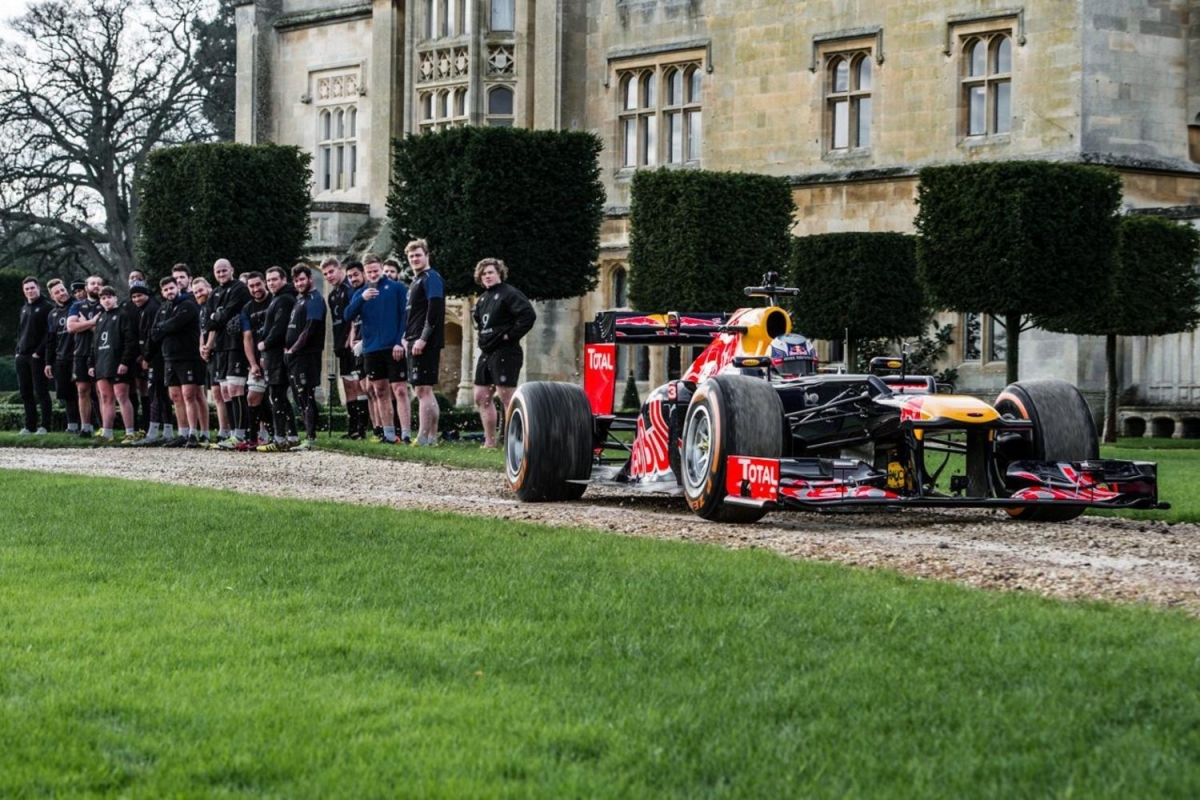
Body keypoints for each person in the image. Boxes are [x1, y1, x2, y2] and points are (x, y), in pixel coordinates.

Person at [471, 258, 537, 449]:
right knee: (481, 395)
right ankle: (489, 442)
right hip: (487, 352)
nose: (487, 276)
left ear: (499, 273)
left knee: (507, 397)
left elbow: (528, 315)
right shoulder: (483, 298)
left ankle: (514, 441)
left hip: (506, 351)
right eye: (484, 274)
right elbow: (479, 321)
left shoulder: (510, 293)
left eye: (491, 272)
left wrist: (510, 335)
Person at [345, 255, 409, 444]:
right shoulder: (361, 293)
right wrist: (362, 299)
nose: (373, 274)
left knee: (400, 389)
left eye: (376, 270)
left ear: (381, 268)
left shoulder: (396, 288)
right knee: (380, 390)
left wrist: (399, 341)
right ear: (365, 272)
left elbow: (404, 315)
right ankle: (387, 433)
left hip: (393, 346)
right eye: (369, 272)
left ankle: (405, 433)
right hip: (371, 348)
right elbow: (348, 314)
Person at [151, 277, 208, 449]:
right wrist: (165, 327)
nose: (169, 292)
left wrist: (164, 327)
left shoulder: (188, 305)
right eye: (166, 289)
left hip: (188, 356)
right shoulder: (163, 309)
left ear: (178, 287)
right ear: (162, 292)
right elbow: (154, 333)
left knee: (190, 394)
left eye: (171, 288)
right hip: (169, 357)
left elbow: (176, 324)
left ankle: (195, 433)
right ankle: (183, 433)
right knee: (175, 396)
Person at [204, 258, 253, 445]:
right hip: (220, 347)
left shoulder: (239, 288)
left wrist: (217, 316)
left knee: (235, 388)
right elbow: (210, 323)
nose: (221, 274)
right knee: (224, 391)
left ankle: (241, 433)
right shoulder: (214, 293)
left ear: (232, 270)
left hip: (236, 344)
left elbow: (228, 313)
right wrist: (217, 316)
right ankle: (233, 432)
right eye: (218, 271)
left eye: (224, 270)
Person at [403, 239, 445, 446]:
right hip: (413, 340)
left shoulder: (432, 278)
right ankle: (431, 438)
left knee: (423, 390)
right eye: (411, 256)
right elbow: (413, 314)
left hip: (424, 342)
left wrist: (422, 338)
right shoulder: (415, 281)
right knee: (424, 390)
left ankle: (422, 437)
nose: (414, 259)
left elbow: (434, 310)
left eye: (418, 255)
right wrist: (406, 336)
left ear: (427, 255)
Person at [283, 263, 326, 450]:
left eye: (302, 279)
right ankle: (307, 437)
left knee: (306, 395)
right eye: (296, 280)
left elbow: (310, 329)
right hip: (294, 356)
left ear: (310, 278)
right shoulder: (300, 299)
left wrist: (294, 349)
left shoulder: (315, 300)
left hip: (307, 355)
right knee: (299, 397)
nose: (299, 283)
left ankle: (311, 438)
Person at [257, 266, 300, 451]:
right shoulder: (279, 298)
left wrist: (264, 343)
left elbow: (279, 327)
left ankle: (280, 437)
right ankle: (291, 435)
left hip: (276, 354)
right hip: (273, 354)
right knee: (279, 396)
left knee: (277, 396)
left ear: (283, 279)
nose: (271, 283)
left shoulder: (284, 299)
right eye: (269, 280)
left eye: (274, 279)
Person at [89, 286, 139, 443]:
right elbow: (95, 344)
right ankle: (107, 432)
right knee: (105, 397)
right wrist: (91, 364)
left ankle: (130, 432)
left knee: (122, 396)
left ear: (116, 298)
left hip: (118, 363)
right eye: (103, 298)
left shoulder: (123, 315)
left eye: (109, 297)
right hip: (103, 363)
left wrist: (125, 361)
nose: (106, 300)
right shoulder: (101, 318)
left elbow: (130, 341)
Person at [236, 271, 274, 448]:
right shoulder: (247, 309)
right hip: (256, 360)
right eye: (251, 286)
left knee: (274, 397)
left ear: (264, 283)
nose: (255, 289)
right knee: (253, 397)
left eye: (258, 284)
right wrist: (252, 363)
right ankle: (252, 438)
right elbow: (247, 337)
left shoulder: (274, 301)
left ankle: (279, 435)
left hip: (273, 357)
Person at [66, 275, 104, 438]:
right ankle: (86, 427)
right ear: (87, 287)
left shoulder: (106, 304)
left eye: (99, 284)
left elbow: (104, 329)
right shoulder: (77, 305)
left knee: (102, 391)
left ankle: (105, 427)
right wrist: (92, 322)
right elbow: (71, 327)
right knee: (82, 390)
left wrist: (85, 324)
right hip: (81, 352)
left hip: (101, 353)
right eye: (93, 283)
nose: (96, 286)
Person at [16, 276, 53, 435]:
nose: (30, 291)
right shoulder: (24, 308)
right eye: (27, 289)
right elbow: (21, 331)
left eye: (32, 288)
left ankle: (45, 426)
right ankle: (29, 426)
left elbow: (49, 334)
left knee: (41, 392)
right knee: (25, 392)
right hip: (22, 356)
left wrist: (38, 353)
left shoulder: (47, 307)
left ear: (38, 288)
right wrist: (17, 351)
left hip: (37, 356)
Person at [43, 279, 82, 433]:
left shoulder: (78, 305)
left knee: (83, 392)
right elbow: (51, 341)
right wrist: (48, 362)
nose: (62, 293)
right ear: (52, 297)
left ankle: (87, 425)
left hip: (78, 355)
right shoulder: (52, 314)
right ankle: (71, 425)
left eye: (63, 289)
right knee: (67, 395)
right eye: (57, 292)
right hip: (61, 358)